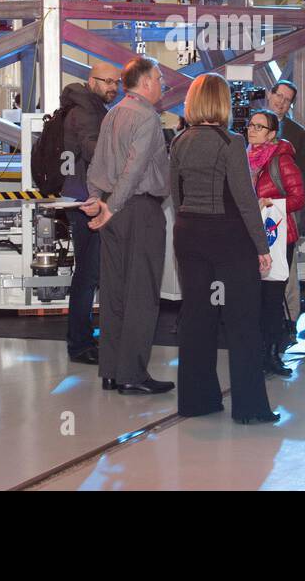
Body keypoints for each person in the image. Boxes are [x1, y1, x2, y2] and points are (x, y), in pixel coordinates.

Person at [169, 74, 278, 424]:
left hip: (188, 234)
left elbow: (176, 195)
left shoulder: (180, 140)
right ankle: (249, 408)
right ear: (223, 102)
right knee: (242, 323)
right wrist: (262, 246)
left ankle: (197, 400)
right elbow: (245, 200)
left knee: (196, 318)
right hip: (228, 238)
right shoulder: (229, 142)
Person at [82, 56, 173, 395]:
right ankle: (132, 373)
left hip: (112, 208)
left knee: (114, 291)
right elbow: (134, 171)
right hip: (138, 210)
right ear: (146, 81)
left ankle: (111, 369)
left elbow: (98, 164)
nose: (162, 84)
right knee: (141, 293)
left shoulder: (114, 113)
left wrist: (99, 201)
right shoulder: (146, 116)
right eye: (160, 77)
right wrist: (113, 204)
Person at [61, 63, 121, 365]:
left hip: (82, 196)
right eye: (106, 81)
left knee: (87, 272)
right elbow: (93, 149)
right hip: (87, 201)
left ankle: (81, 337)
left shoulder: (93, 107)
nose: (112, 87)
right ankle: (80, 344)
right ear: (90, 80)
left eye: (116, 82)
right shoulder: (86, 110)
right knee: (88, 273)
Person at [246, 108, 305, 377]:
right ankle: (258, 351)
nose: (252, 130)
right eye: (251, 125)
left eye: (260, 127)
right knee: (256, 298)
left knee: (271, 298)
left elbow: (299, 197)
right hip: (250, 236)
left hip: (278, 237)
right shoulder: (244, 158)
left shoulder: (281, 160)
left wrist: (271, 202)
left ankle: (272, 353)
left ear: (271, 134)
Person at [268, 80, 305, 327]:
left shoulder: (297, 133)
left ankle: (290, 318)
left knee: (288, 266)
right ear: (270, 94)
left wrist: (284, 192)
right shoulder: (252, 126)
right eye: (279, 96)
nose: (281, 102)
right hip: (259, 210)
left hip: (288, 211)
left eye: (287, 100)